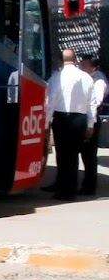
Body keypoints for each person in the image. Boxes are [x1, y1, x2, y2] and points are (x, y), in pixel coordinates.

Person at [44, 49, 98, 201]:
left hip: (62, 118)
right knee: (73, 156)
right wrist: (90, 123)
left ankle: (64, 190)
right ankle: (70, 190)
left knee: (62, 155)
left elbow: (51, 101)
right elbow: (91, 103)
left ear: (61, 61)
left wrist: (46, 121)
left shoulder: (57, 78)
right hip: (80, 119)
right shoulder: (86, 77)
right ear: (75, 60)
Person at [79, 56, 108, 195]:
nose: (81, 68)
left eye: (85, 65)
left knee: (89, 155)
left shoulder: (99, 81)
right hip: (81, 115)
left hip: (91, 117)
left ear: (94, 67)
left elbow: (96, 101)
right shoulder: (83, 78)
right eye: (81, 65)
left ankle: (89, 186)